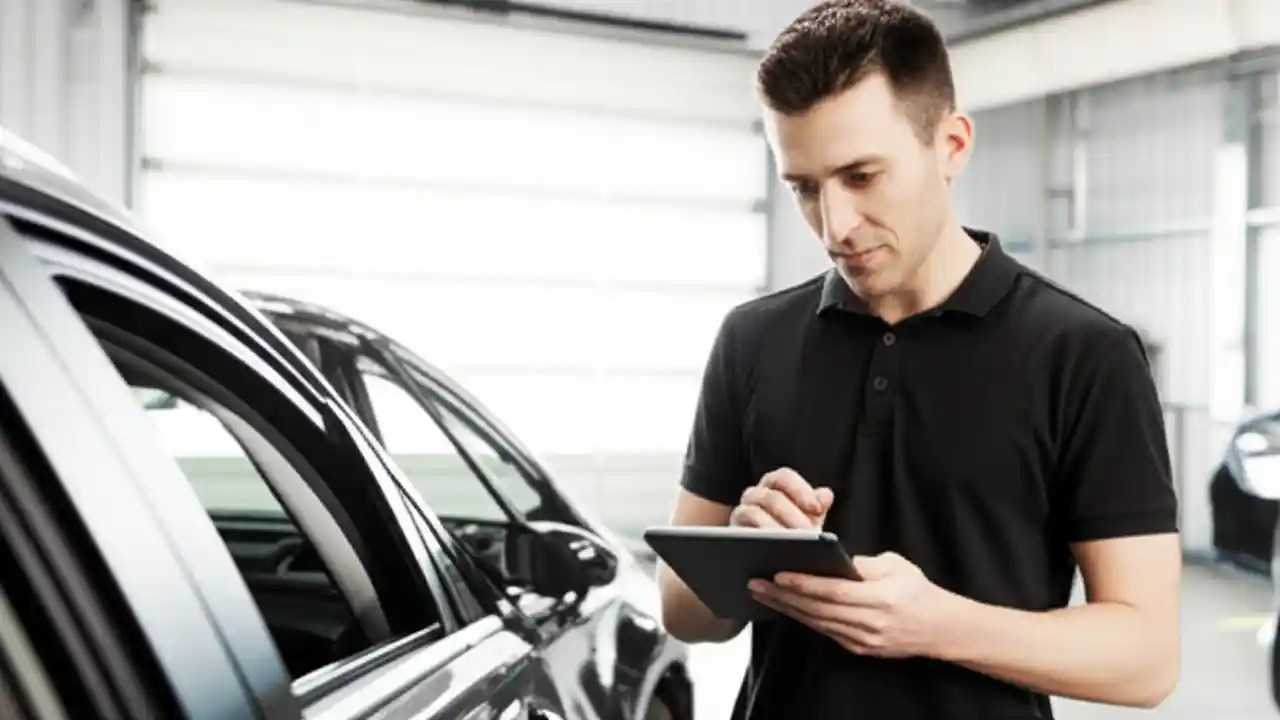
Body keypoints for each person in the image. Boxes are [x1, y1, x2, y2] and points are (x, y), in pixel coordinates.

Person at [655, 1, 1181, 718]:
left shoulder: (1085, 355)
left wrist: (936, 625)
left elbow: (1146, 658)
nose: (835, 225)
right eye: (805, 188)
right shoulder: (750, 340)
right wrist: (743, 555)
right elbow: (684, 614)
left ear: (952, 145)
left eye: (862, 176)